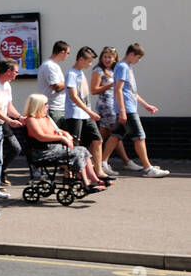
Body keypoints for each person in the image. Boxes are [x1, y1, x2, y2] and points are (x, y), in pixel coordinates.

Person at [102, 42, 168, 177]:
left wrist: (146, 105)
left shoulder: (127, 67)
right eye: (138, 57)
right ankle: (148, 168)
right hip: (127, 109)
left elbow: (131, 91)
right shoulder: (122, 67)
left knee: (116, 136)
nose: (139, 60)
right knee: (139, 136)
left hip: (128, 107)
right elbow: (118, 90)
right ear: (131, 54)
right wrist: (122, 110)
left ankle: (102, 163)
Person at [23, 92, 107, 192]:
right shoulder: (32, 120)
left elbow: (56, 130)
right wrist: (61, 138)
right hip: (42, 152)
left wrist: (65, 133)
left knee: (83, 150)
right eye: (45, 104)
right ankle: (86, 183)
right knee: (77, 153)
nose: (47, 106)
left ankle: (94, 179)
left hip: (53, 149)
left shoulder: (45, 118)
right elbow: (41, 136)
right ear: (38, 106)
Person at [62, 46, 110, 183]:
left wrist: (88, 112)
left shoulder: (80, 73)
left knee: (97, 139)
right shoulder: (71, 74)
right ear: (81, 59)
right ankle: (72, 172)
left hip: (86, 114)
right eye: (88, 61)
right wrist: (90, 111)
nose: (90, 65)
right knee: (75, 145)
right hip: (75, 115)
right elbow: (73, 96)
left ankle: (98, 170)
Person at [0, 59, 25, 200]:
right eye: (15, 71)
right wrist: (9, 120)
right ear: (8, 71)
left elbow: (9, 106)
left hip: (0, 125)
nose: (16, 74)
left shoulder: (7, 85)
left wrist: (19, 117)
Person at [91, 46, 133, 175]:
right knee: (113, 135)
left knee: (110, 135)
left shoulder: (116, 70)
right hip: (105, 107)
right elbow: (94, 90)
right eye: (105, 57)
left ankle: (97, 162)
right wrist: (111, 84)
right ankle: (101, 162)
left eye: (110, 57)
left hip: (115, 105)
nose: (107, 59)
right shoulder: (99, 70)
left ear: (115, 58)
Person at [37, 40, 70, 123]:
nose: (68, 56)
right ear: (62, 52)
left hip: (58, 107)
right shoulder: (49, 66)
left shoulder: (54, 65)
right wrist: (70, 81)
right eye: (68, 53)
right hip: (53, 107)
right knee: (57, 133)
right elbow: (56, 87)